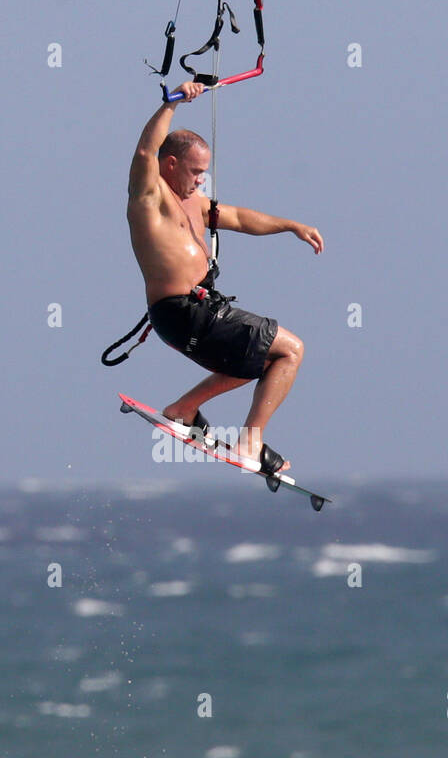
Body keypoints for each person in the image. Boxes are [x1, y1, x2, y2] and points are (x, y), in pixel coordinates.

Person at [126, 81, 323, 474]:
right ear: (170, 165)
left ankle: (183, 410)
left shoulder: (194, 205)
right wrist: (172, 103)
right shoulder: (148, 198)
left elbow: (238, 218)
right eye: (196, 171)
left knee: (257, 359)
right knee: (291, 350)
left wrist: (290, 225)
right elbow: (146, 150)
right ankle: (251, 442)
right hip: (183, 312)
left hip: (192, 315)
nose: (201, 179)